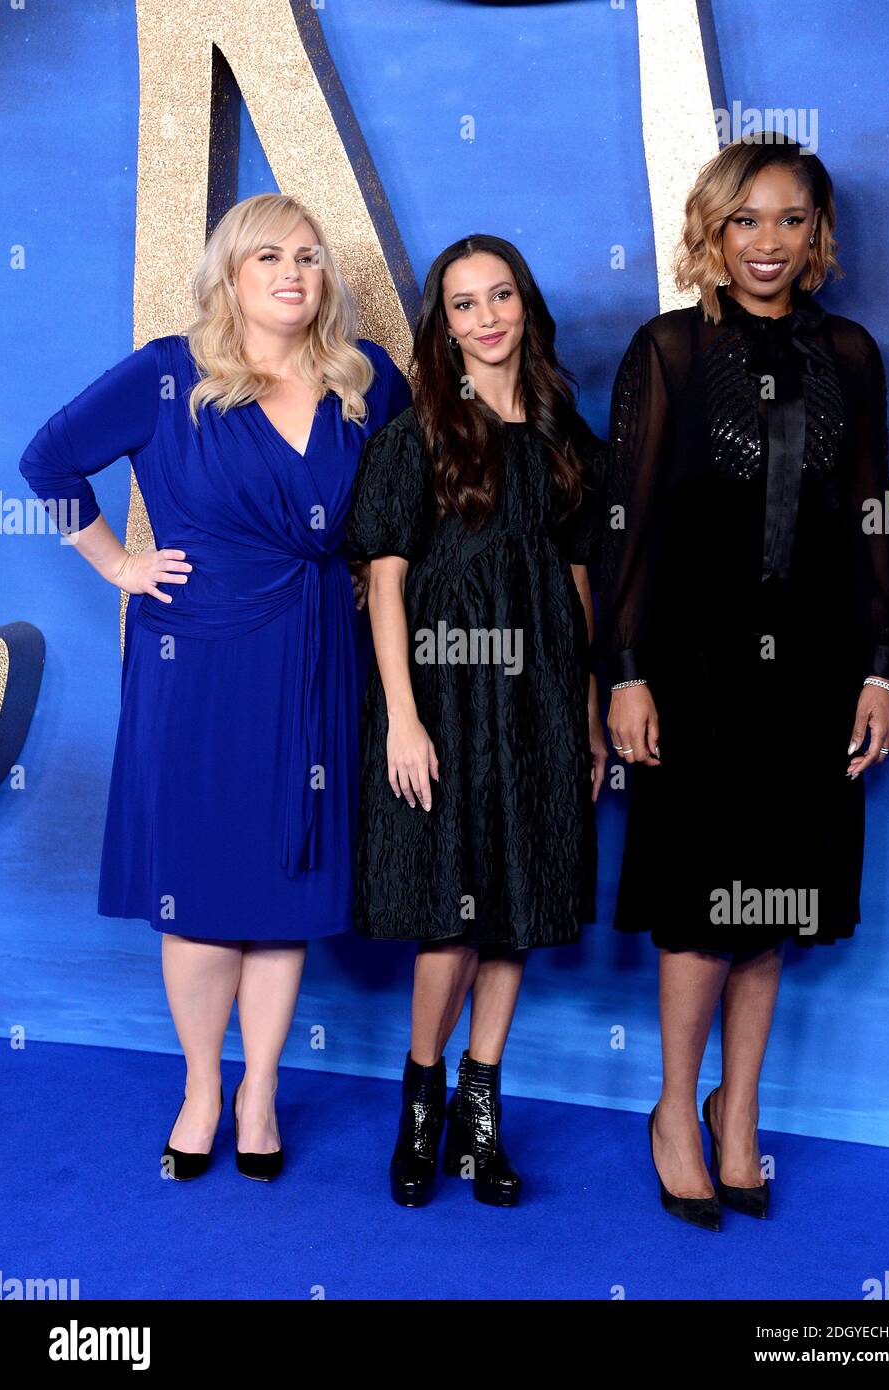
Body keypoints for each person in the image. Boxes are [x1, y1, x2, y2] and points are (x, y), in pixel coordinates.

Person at [19, 193, 410, 1182]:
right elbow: (48, 459)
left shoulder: (367, 380)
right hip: (191, 658)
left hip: (316, 650)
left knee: (282, 879)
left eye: (310, 257)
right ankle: (201, 1085)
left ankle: (261, 1088)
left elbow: (404, 510)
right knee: (195, 888)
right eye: (268, 254)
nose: (292, 272)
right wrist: (117, 566)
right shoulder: (167, 373)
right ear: (230, 273)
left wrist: (371, 571)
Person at [600, 135, 889, 1230]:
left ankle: (741, 1117)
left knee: (773, 903)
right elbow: (627, 531)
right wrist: (624, 672)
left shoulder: (852, 351)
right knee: (698, 907)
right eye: (746, 221)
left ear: (816, 235)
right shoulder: (668, 351)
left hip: (816, 670)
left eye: (789, 220)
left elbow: (874, 517)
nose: (768, 243)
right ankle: (675, 1115)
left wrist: (881, 670)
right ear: (712, 232)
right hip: (693, 667)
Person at [345, 235, 607, 1208]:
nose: (486, 316)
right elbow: (383, 578)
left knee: (518, 907)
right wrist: (402, 721)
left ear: (524, 307)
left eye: (500, 296)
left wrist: (582, 711)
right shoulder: (416, 434)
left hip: (537, 698)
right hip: (444, 701)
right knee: (451, 911)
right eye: (463, 304)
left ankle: (478, 1116)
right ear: (442, 327)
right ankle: (421, 1102)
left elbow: (579, 582)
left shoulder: (561, 436)